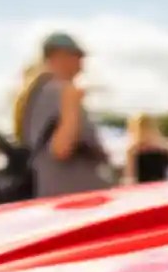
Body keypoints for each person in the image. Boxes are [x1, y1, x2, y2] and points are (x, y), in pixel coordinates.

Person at [16, 32, 112, 198]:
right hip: (73, 197)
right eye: (77, 56)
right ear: (58, 55)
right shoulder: (60, 91)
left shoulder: (39, 92)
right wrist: (72, 102)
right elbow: (61, 149)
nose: (82, 62)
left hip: (59, 193)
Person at [125, 113, 168, 184]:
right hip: (155, 185)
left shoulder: (134, 149)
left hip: (153, 186)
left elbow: (130, 175)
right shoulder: (162, 147)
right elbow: (130, 175)